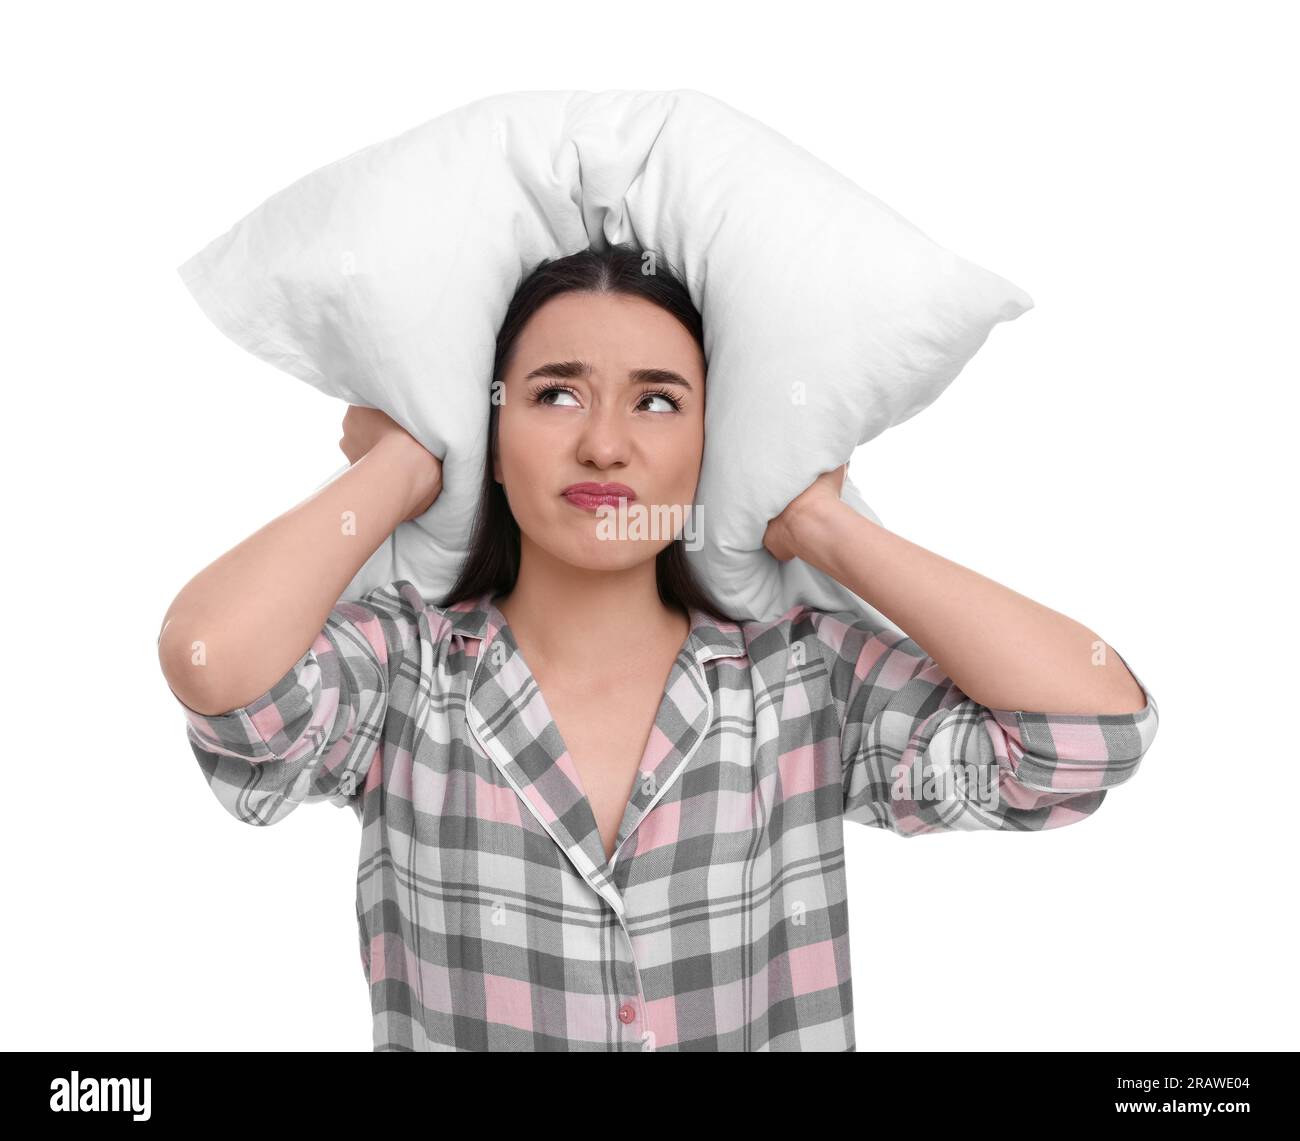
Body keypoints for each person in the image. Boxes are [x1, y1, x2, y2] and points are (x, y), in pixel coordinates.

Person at [158, 243, 1159, 1051]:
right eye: (554, 395)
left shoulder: (799, 679)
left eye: (656, 400)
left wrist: (822, 523)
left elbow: (1089, 727)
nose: (604, 445)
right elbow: (213, 664)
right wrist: (406, 464)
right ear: (495, 432)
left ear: (708, 443)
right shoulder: (403, 670)